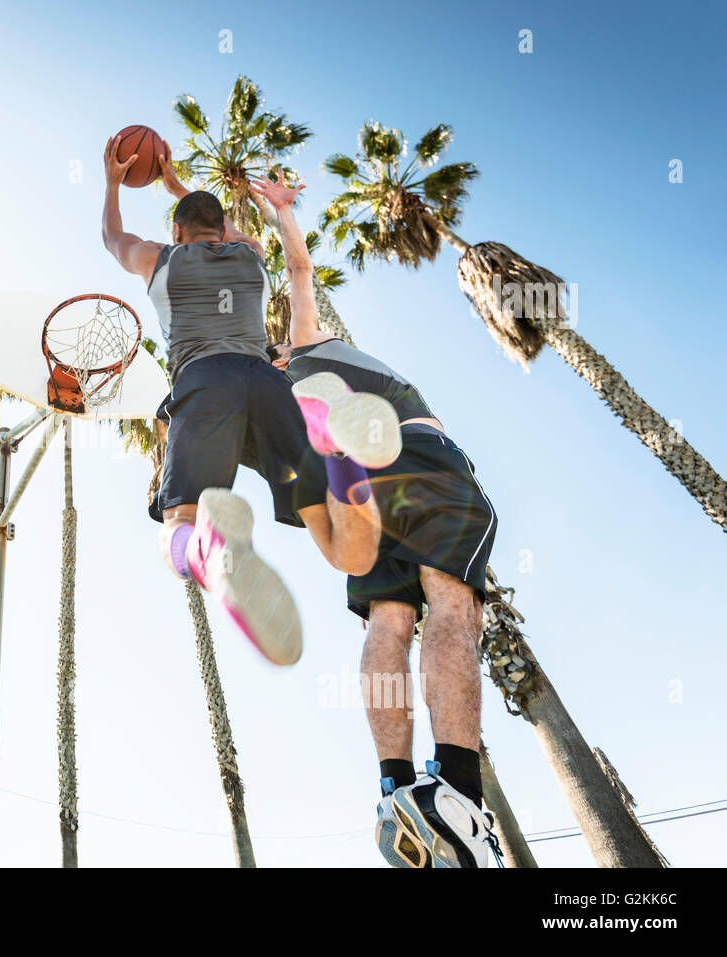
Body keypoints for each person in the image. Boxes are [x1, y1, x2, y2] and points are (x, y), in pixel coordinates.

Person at [249, 170, 501, 868]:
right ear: (278, 354)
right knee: (451, 597)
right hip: (411, 445)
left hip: (347, 484)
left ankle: (395, 791)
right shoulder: (303, 348)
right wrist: (282, 211)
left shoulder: (278, 409)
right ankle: (457, 788)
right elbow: (299, 269)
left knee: (388, 620)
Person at [101, 134, 386, 668]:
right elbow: (225, 229)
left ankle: (207, 553)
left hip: (206, 382)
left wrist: (114, 182)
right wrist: (179, 187)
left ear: (177, 231)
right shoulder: (250, 256)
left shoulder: (160, 260)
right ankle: (338, 451)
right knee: (348, 552)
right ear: (221, 228)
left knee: (178, 520)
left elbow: (112, 237)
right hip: (268, 383)